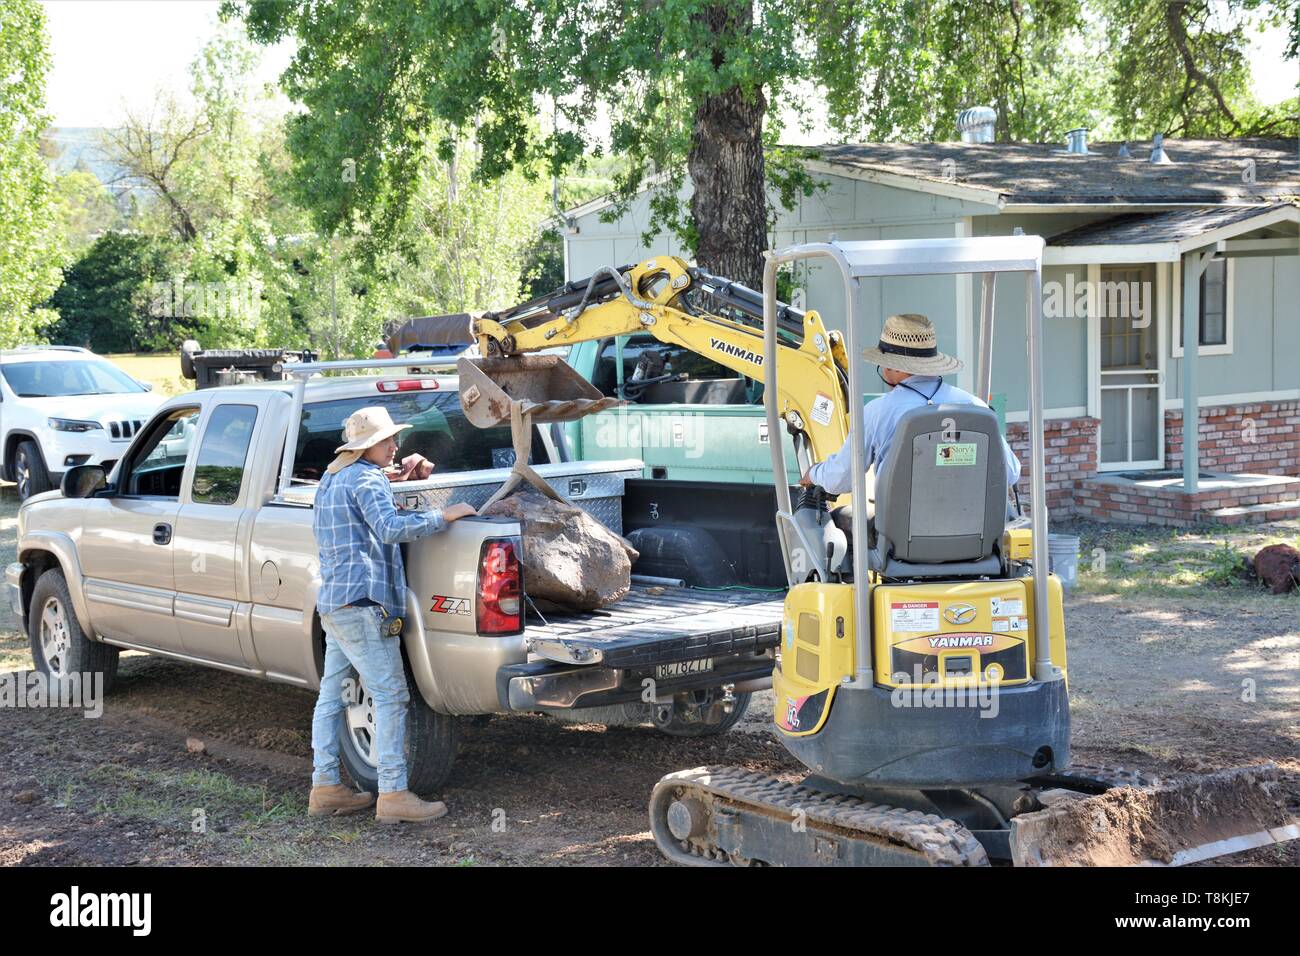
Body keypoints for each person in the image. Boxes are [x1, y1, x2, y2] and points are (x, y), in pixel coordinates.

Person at [307, 406, 476, 823]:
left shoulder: (334, 477)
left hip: (335, 602)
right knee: (391, 696)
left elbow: (364, 506)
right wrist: (445, 515)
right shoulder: (367, 479)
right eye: (388, 441)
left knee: (331, 697)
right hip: (366, 604)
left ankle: (325, 786)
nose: (396, 447)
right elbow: (388, 528)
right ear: (367, 446)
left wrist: (396, 479)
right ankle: (394, 794)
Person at [801, 312, 1021, 496]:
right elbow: (1011, 472)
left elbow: (842, 479)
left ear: (895, 368)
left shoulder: (877, 412)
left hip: (901, 544)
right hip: (974, 540)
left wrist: (815, 473)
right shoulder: (976, 407)